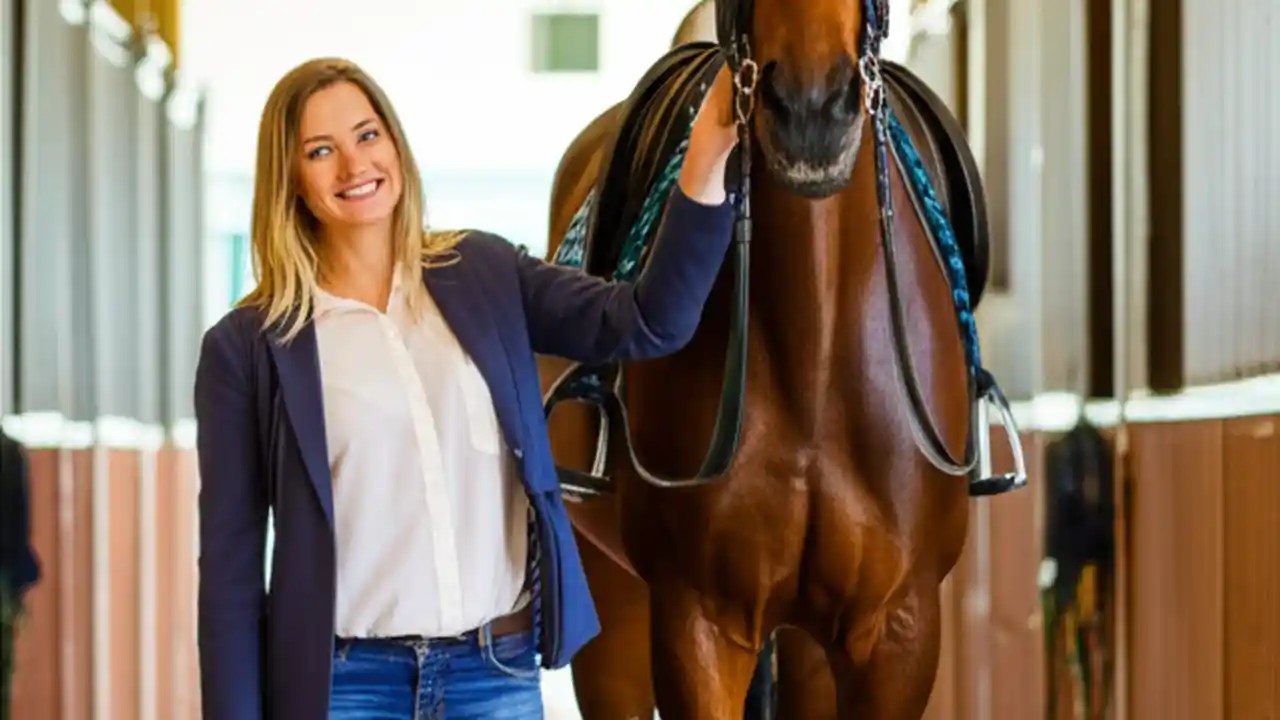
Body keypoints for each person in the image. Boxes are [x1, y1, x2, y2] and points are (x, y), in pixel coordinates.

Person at [193, 56, 739, 719]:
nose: (353, 166)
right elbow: (229, 573)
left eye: (368, 136)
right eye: (320, 150)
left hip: (493, 676)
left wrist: (709, 148)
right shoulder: (247, 348)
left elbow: (649, 322)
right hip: (345, 689)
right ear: (292, 181)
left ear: (395, 143)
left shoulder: (481, 273)